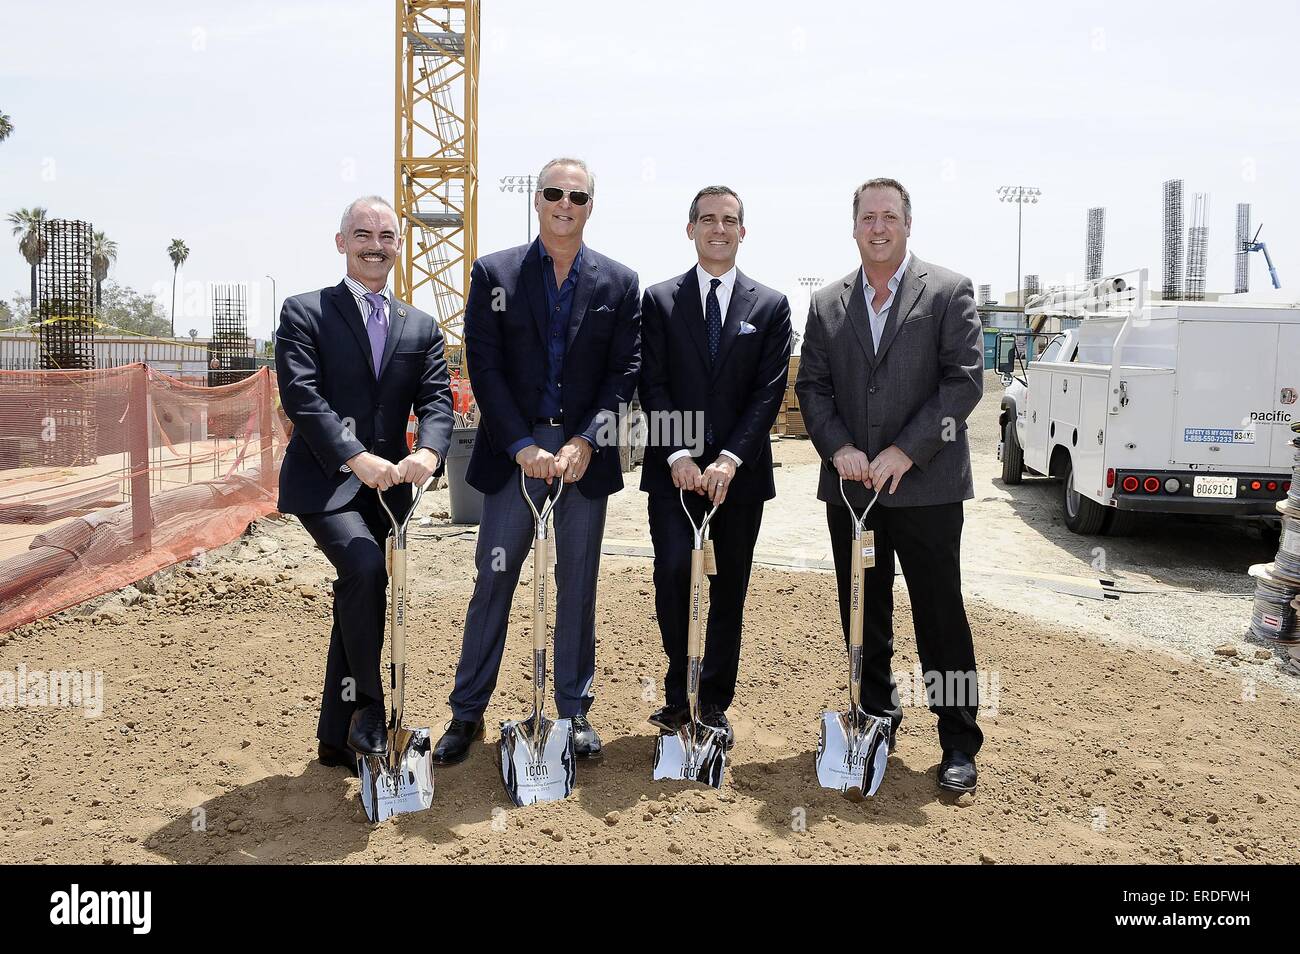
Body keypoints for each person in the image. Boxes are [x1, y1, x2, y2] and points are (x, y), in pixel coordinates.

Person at [433, 158, 641, 765]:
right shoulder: (494, 272)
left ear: (590, 206)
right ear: (537, 200)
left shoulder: (619, 283)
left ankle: (575, 713)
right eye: (554, 193)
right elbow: (485, 364)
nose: (565, 204)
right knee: (493, 579)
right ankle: (466, 714)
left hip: (584, 460)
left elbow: (624, 373)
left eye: (577, 196)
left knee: (577, 586)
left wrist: (586, 441)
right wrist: (519, 444)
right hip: (511, 457)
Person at [794, 177, 985, 793]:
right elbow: (813, 388)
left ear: (908, 223)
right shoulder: (827, 304)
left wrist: (907, 450)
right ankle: (875, 716)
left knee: (940, 615)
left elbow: (964, 385)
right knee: (863, 612)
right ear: (853, 227)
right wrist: (840, 448)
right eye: (868, 217)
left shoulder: (949, 291)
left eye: (890, 217)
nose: (879, 227)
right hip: (853, 492)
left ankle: (958, 739)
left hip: (927, 490)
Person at [275, 195, 453, 772]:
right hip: (326, 482)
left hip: (392, 487)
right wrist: (356, 457)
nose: (375, 245)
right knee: (364, 569)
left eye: (387, 236)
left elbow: (435, 398)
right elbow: (303, 397)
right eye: (363, 234)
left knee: (361, 592)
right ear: (341, 242)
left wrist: (428, 449)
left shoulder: (421, 326)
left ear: (399, 245)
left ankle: (335, 735)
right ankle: (371, 711)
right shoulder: (305, 312)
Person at [638, 185, 791, 747]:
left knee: (728, 586)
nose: (719, 229)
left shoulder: (770, 307)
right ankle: (680, 692)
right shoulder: (657, 301)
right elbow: (649, 381)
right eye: (708, 220)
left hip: (739, 479)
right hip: (672, 474)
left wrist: (728, 459)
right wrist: (678, 453)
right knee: (675, 571)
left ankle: (714, 699)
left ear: (743, 231)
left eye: (730, 221)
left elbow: (767, 393)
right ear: (691, 229)